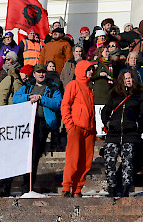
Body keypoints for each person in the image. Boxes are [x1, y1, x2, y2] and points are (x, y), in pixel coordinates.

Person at [0, 63, 63, 197]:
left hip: (42, 125)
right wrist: (29, 98)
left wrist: (42, 99)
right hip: (26, 124)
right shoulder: (28, 86)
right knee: (16, 155)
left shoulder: (53, 87)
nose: (41, 74)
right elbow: (16, 99)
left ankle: (27, 187)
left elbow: (58, 103)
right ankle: (5, 186)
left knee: (34, 157)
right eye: (39, 72)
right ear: (34, 74)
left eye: (43, 72)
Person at [100, 69, 143, 198]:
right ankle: (112, 188)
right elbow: (105, 111)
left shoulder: (139, 95)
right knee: (109, 162)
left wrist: (138, 125)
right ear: (121, 80)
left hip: (130, 134)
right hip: (113, 133)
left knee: (127, 163)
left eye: (130, 78)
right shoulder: (114, 94)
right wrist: (108, 123)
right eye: (126, 78)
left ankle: (125, 188)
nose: (129, 80)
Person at [60, 62, 96, 197]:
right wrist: (69, 125)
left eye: (92, 69)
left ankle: (77, 189)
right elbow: (65, 105)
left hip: (89, 130)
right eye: (88, 69)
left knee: (86, 163)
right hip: (76, 128)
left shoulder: (90, 90)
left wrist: (93, 129)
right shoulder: (73, 85)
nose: (91, 72)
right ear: (82, 70)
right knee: (73, 159)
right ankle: (66, 187)